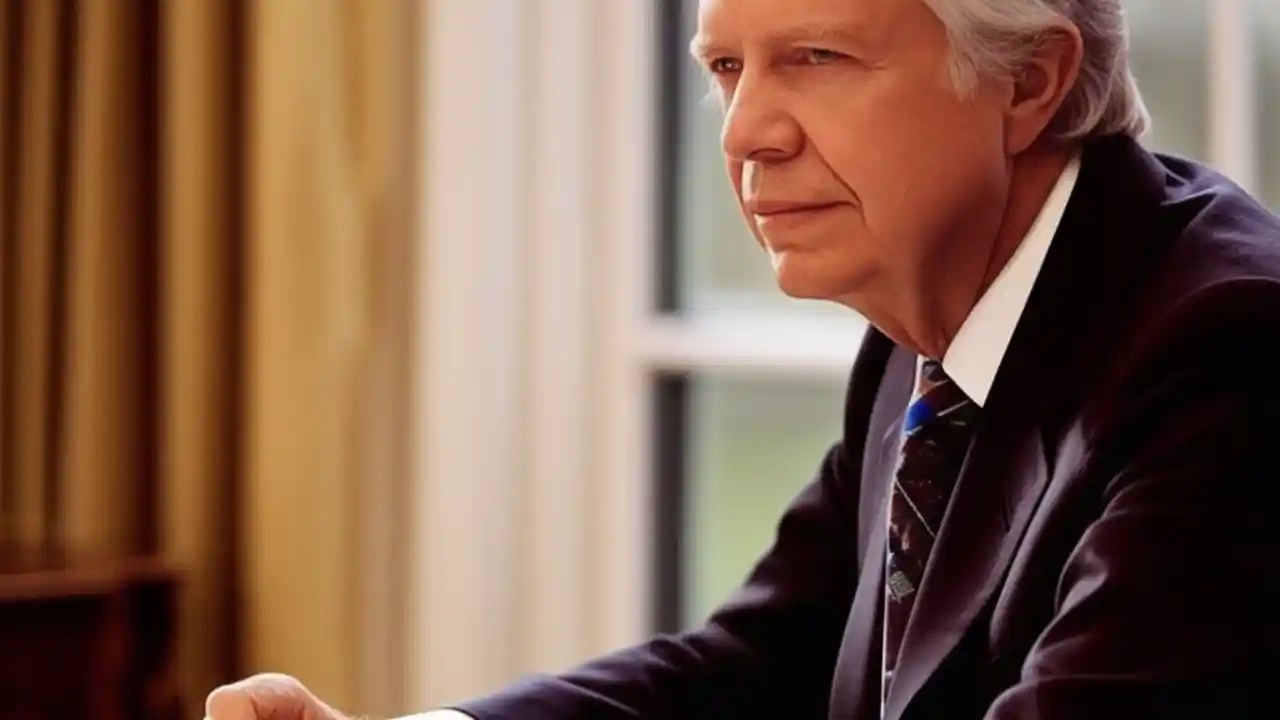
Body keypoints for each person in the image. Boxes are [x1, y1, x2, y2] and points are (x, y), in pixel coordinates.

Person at [206, 0, 1280, 718]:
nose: (743, 132)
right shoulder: (933, 318)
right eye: (725, 68)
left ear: (1028, 81)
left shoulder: (1229, 348)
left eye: (812, 59)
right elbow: (768, 660)